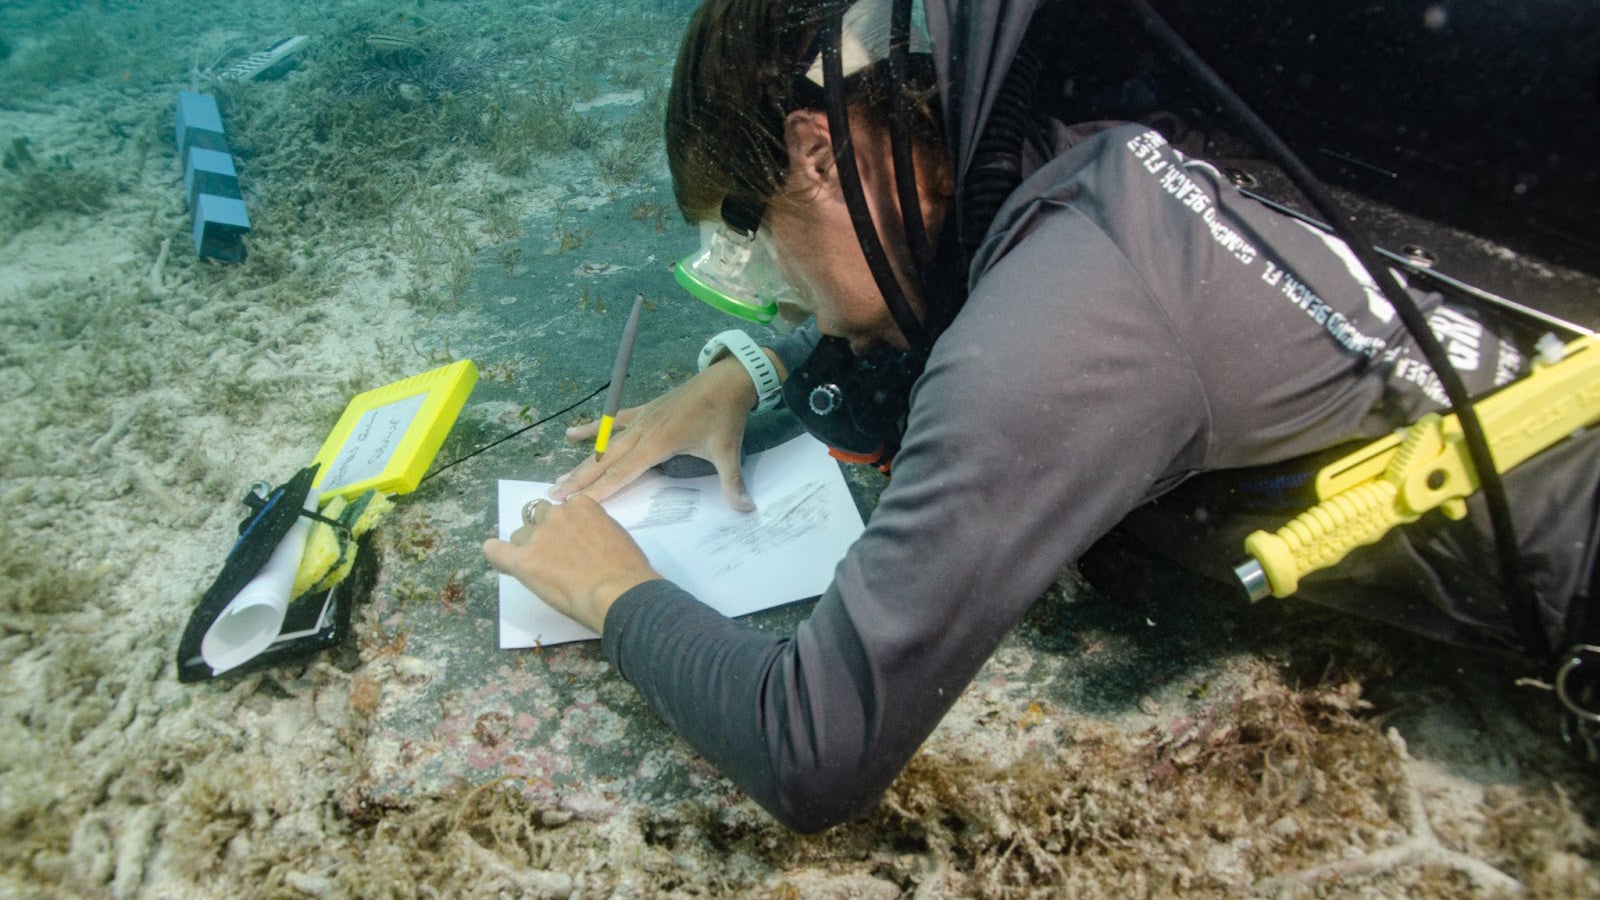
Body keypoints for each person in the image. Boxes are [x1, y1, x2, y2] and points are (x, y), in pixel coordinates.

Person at [482, 0, 1600, 832]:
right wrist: (755, 368)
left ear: (817, 152)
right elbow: (942, 273)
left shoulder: (1056, 333)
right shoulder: (1069, 111)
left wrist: (613, 591)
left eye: (745, 240)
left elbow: (810, 747)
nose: (770, 288)